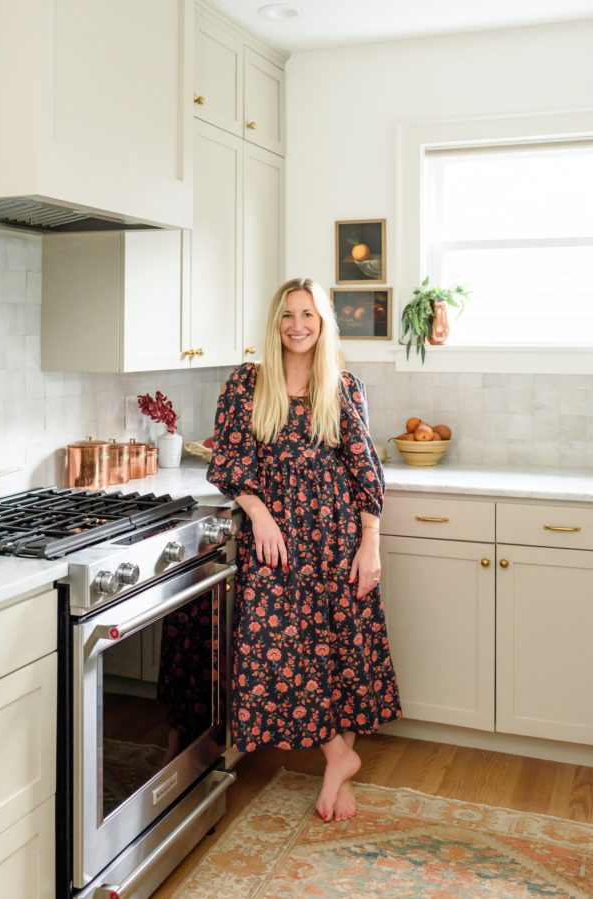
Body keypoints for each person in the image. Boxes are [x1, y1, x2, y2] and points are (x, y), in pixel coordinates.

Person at [207, 277, 401, 823]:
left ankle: (339, 762)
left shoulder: (342, 385)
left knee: (338, 644)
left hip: (336, 534)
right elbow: (230, 462)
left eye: (308, 315)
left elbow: (365, 471)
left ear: (323, 323)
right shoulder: (248, 382)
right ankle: (341, 755)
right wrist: (260, 514)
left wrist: (371, 544)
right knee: (279, 645)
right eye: (288, 315)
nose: (297, 325)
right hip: (275, 536)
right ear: (275, 323)